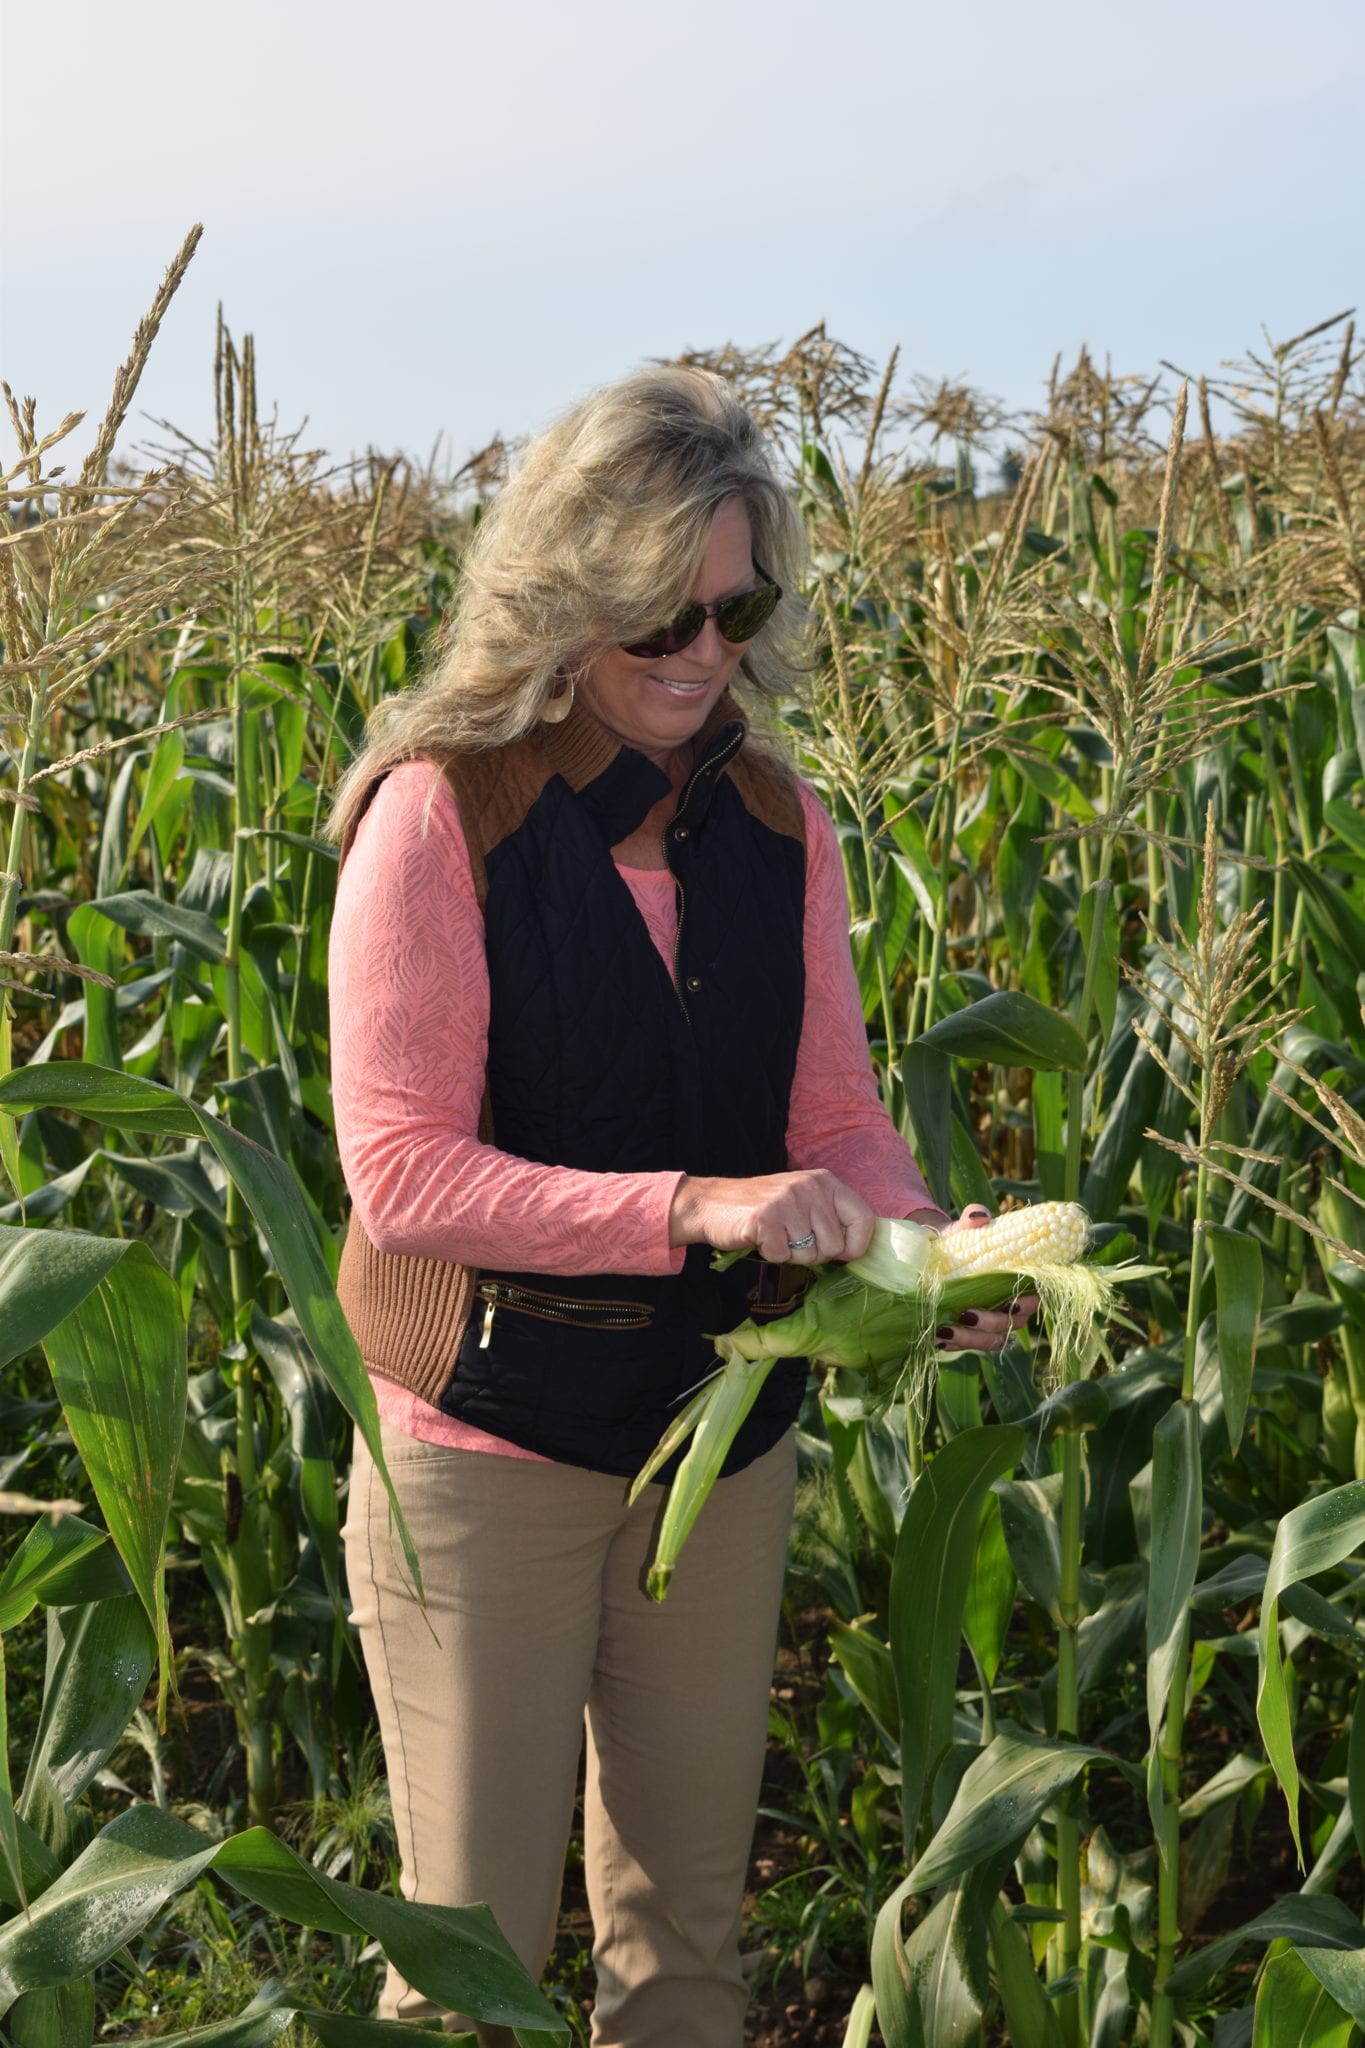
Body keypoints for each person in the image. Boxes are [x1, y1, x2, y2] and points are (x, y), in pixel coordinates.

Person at [328, 366, 1031, 2047]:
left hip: (717, 1451)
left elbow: (835, 1116)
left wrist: (928, 1252)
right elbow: (402, 1175)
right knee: (467, 1969)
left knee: (686, 1948)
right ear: (568, 589)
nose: (706, 651)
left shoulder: (776, 822)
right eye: (664, 614)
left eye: (741, 609)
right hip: (485, 1453)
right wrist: (696, 1208)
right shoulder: (441, 814)